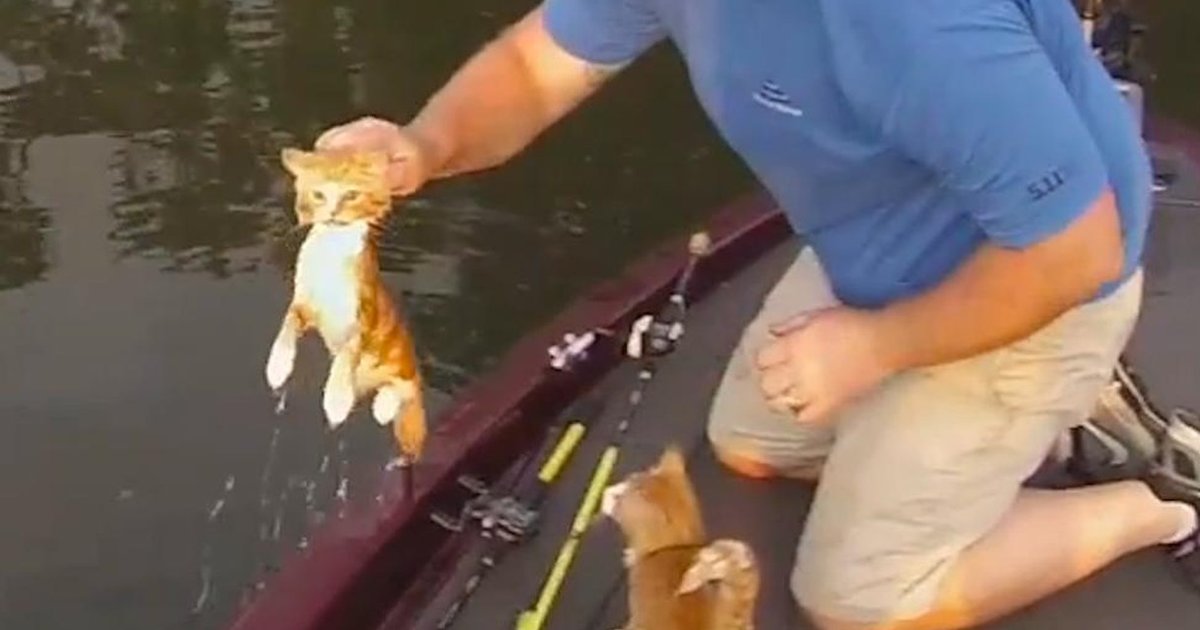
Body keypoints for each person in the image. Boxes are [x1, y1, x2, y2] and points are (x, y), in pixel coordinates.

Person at [315, 0, 1200, 628]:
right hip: (876, 248)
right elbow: (532, 68)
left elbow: (1076, 247)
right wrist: (421, 148)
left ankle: (1152, 502)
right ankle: (1011, 435)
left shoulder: (916, 19)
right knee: (748, 446)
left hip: (1042, 276)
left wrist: (873, 348)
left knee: (860, 603)